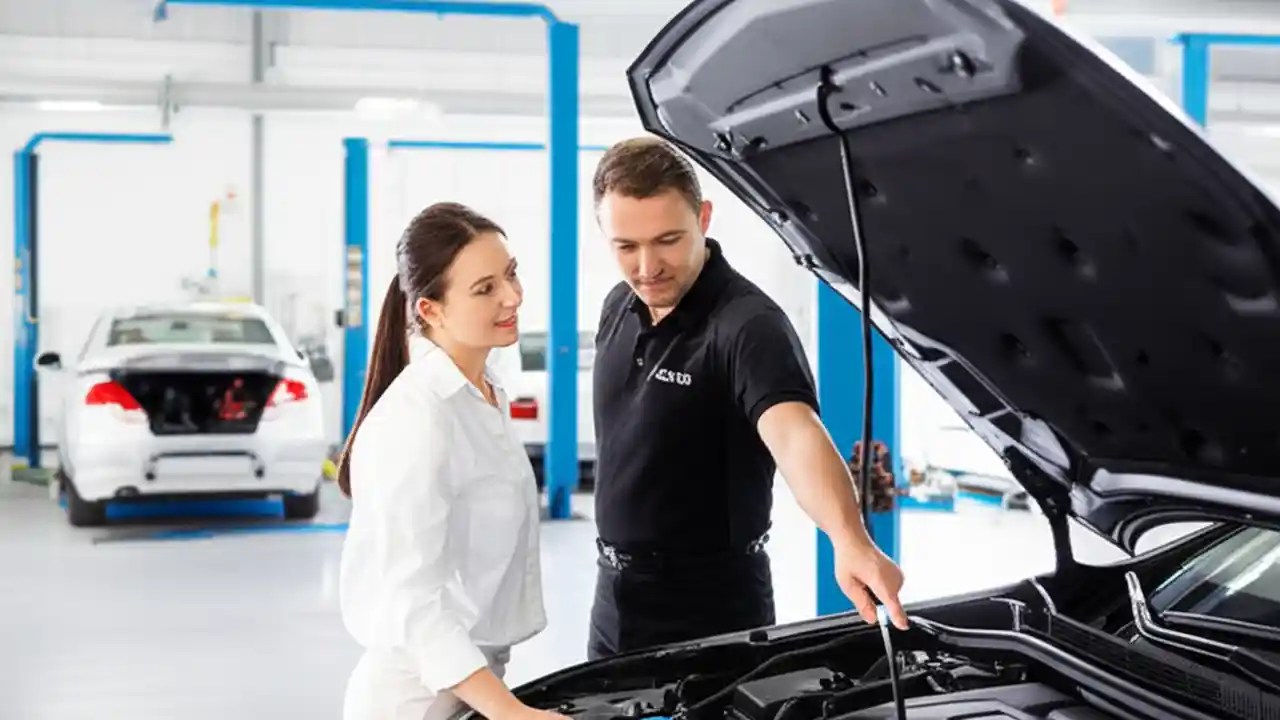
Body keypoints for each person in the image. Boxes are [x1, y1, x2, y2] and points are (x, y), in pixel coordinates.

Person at [587, 137, 909, 660]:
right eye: (626, 246)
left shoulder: (746, 325)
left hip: (711, 608)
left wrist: (849, 538)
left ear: (704, 217)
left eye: (668, 240)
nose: (647, 266)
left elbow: (794, 432)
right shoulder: (618, 306)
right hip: (614, 598)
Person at [337, 202, 565, 720]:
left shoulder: (483, 391)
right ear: (430, 310)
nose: (512, 297)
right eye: (485, 289)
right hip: (413, 700)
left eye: (510, 275)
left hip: (467, 686)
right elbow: (414, 601)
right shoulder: (417, 417)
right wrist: (510, 713)